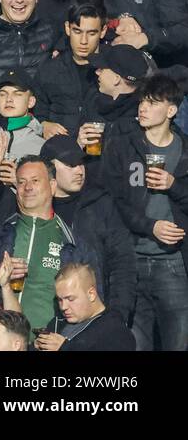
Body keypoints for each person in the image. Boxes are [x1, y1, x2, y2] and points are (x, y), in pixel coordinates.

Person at [101, 73, 188, 350]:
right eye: (142, 102)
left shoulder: (185, 150)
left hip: (173, 263)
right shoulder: (123, 143)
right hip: (131, 259)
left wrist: (174, 185)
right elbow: (113, 199)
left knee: (177, 343)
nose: (143, 108)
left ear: (171, 110)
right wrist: (150, 226)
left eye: (152, 103)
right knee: (135, 345)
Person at [0, 155, 101, 333]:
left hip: (49, 341)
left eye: (35, 180)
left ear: (53, 186)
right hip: (5, 339)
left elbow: (93, 305)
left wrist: (66, 341)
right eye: (21, 182)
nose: (27, 187)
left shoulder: (73, 243)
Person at [45, 135, 136, 325]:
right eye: (70, 165)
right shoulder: (36, 209)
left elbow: (122, 261)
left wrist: (118, 313)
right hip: (47, 319)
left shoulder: (100, 204)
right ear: (49, 169)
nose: (79, 171)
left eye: (81, 163)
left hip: (96, 319)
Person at [34, 1, 104, 134]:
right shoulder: (49, 69)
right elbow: (38, 111)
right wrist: (43, 125)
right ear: (67, 28)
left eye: (91, 33)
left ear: (103, 31)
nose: (83, 41)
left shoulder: (112, 70)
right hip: (60, 149)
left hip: (102, 149)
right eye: (77, 31)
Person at [40, 262, 138, 350]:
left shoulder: (115, 332)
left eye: (70, 299)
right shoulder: (58, 323)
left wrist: (65, 348)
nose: (63, 307)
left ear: (91, 294)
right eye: (60, 300)